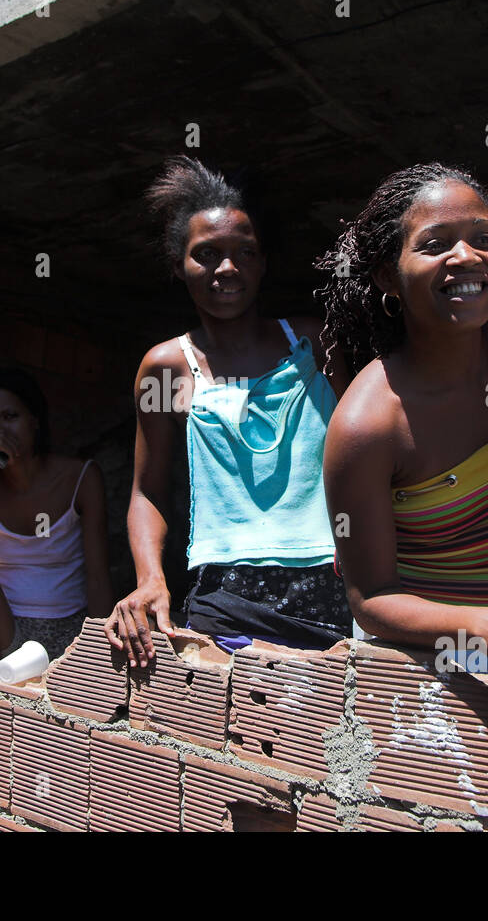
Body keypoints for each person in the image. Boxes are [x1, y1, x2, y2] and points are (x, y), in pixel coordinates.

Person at [315, 162, 488, 781]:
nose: (467, 257)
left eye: (484, 239)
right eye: (435, 245)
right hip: (429, 668)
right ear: (389, 275)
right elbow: (371, 598)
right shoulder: (367, 425)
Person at [104, 156, 351, 667]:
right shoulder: (167, 368)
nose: (227, 268)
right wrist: (151, 579)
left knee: (331, 732)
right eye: (206, 254)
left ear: (263, 262)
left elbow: (364, 453)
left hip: (336, 579)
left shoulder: (314, 341)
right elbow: (148, 490)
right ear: (179, 266)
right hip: (226, 593)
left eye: (245, 252)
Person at [0, 367, 112, 661]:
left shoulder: (80, 477)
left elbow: (98, 573)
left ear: (35, 420)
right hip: (1, 628)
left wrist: (100, 653)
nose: (0, 431)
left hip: (66, 630)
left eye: (10, 417)